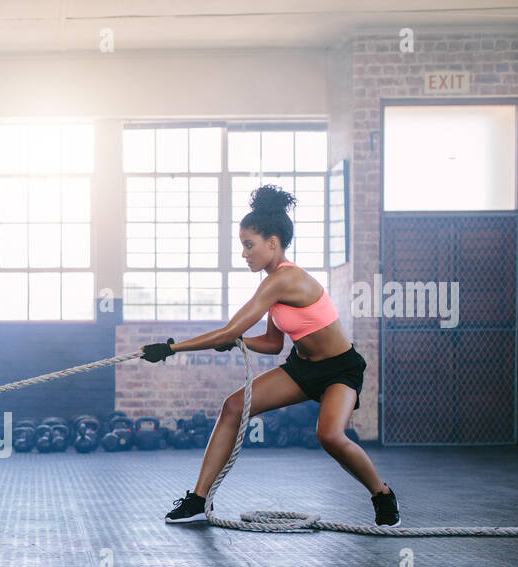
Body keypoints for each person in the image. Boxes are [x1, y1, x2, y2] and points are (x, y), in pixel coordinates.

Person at [141, 184, 399, 527]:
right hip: (301, 368)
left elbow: (229, 330)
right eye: (243, 246)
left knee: (330, 436)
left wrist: (171, 349)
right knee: (233, 407)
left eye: (249, 245)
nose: (244, 254)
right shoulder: (271, 285)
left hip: (340, 369)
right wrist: (238, 343)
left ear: (272, 243)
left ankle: (382, 495)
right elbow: (274, 343)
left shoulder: (284, 280)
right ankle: (199, 500)